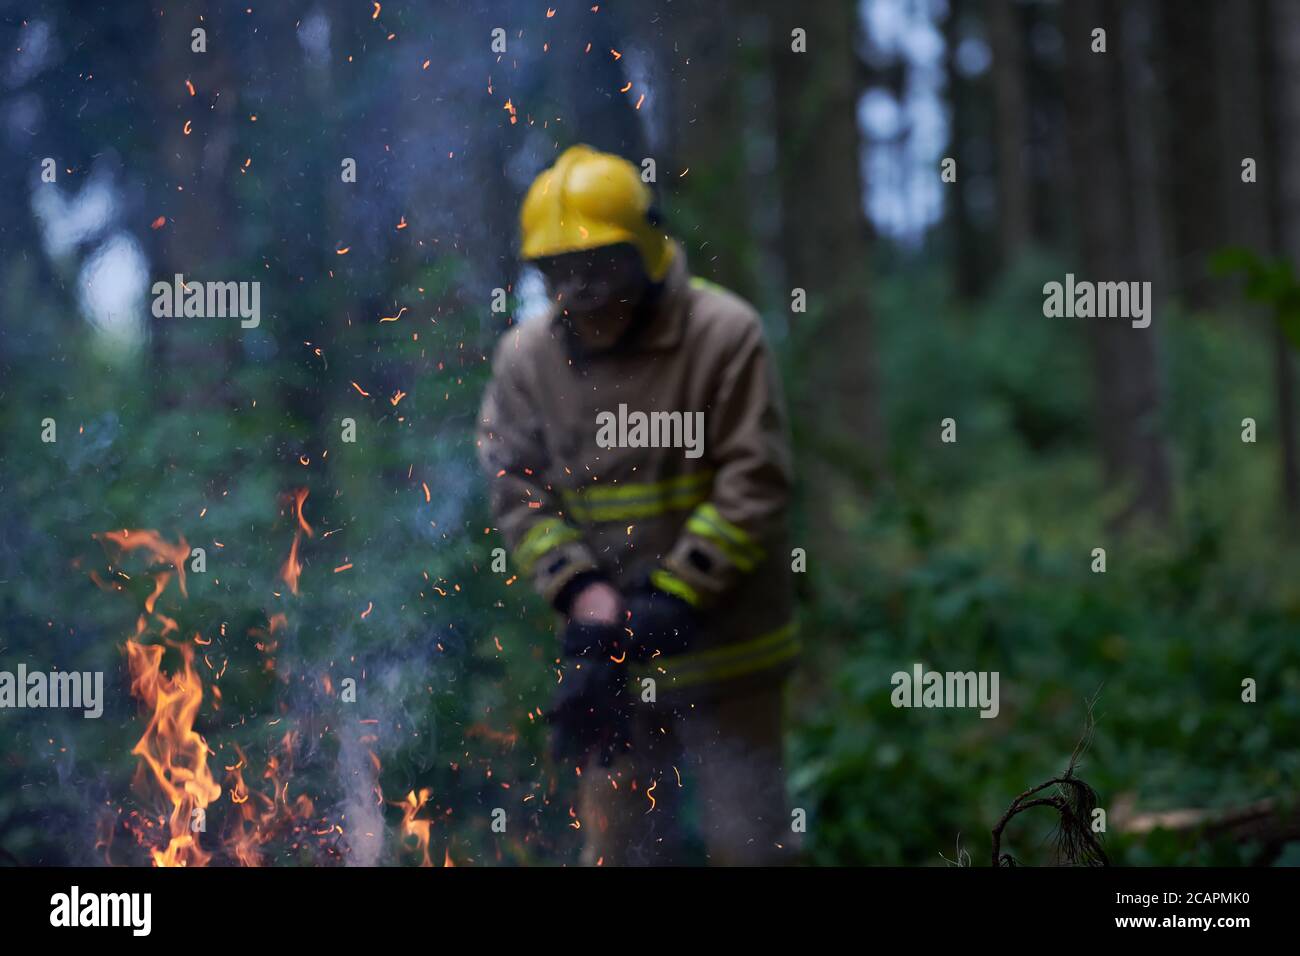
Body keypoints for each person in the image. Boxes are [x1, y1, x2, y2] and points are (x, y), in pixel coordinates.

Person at [476, 144, 799, 865]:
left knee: (751, 849)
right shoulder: (526, 361)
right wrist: (586, 597)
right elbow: (515, 487)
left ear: (647, 250)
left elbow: (756, 478)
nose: (581, 289)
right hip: (611, 661)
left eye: (599, 267)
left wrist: (678, 594)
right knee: (619, 853)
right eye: (560, 272)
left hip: (729, 652)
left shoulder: (724, 335)